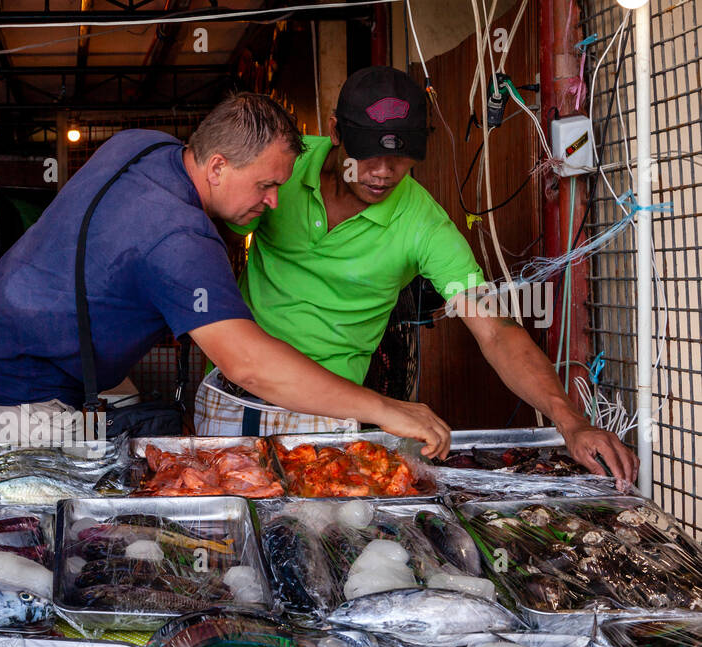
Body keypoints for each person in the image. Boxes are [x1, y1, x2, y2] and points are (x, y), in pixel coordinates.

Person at [0, 92, 453, 455]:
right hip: (14, 381)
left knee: (135, 428)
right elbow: (247, 365)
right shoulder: (181, 240)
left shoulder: (141, 145)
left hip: (9, 330)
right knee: (66, 527)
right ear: (215, 167)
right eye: (265, 185)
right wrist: (385, 408)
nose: (274, 201)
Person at [197, 66, 636, 483]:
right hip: (232, 390)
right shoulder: (279, 170)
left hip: (325, 414)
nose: (384, 173)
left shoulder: (424, 224)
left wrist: (571, 421)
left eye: (401, 156)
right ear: (335, 131)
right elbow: (215, 232)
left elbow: (496, 331)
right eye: (369, 153)